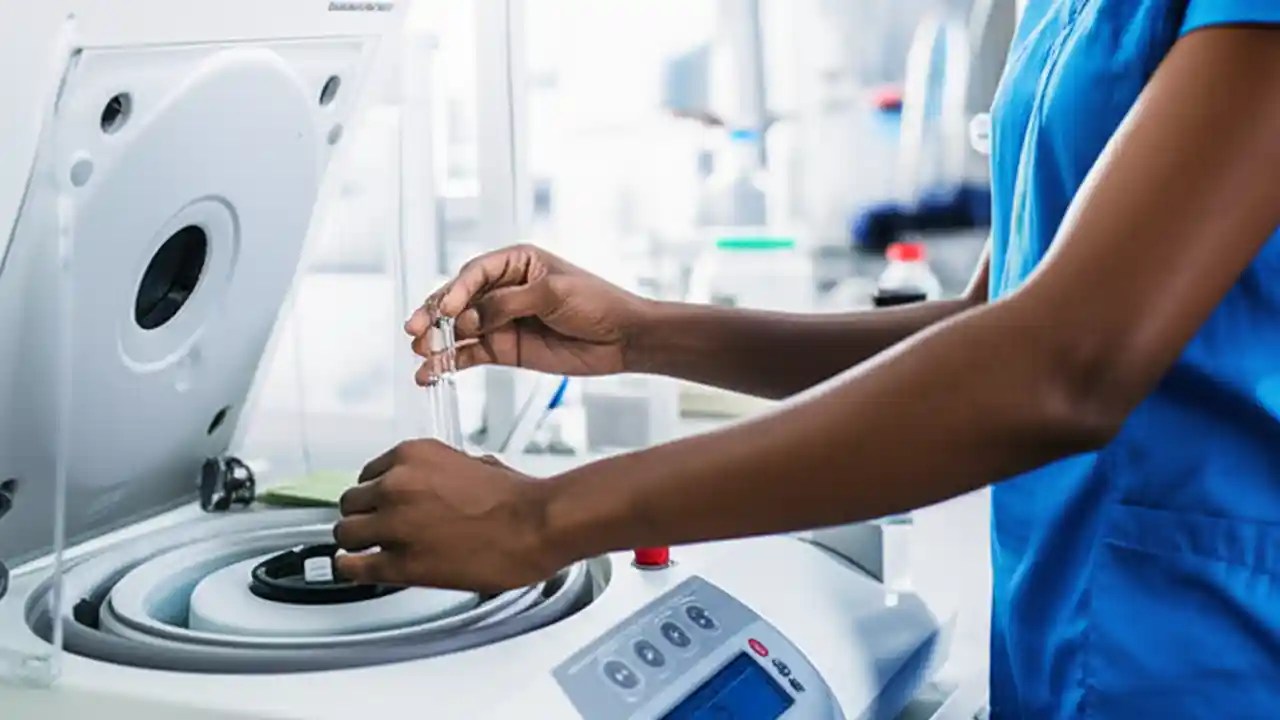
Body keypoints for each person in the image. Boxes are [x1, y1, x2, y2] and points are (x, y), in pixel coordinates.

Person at [333, 3, 1280, 717]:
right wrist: (643, 333)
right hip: (1060, 653)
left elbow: (1064, 365)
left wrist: (547, 515)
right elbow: (990, 324)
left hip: (1217, 661)